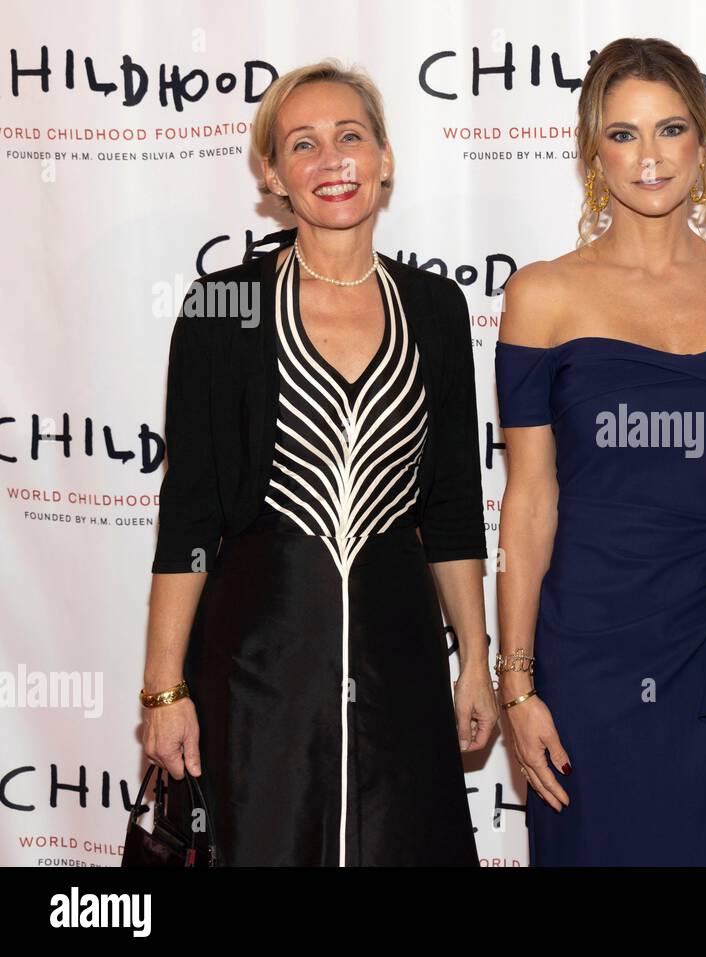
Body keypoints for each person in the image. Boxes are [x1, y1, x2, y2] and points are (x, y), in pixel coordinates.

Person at [139, 60, 495, 866]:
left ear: (385, 157)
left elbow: (449, 506)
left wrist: (474, 658)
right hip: (255, 667)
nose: (331, 160)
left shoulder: (436, 310)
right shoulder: (220, 309)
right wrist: (165, 688)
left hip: (399, 658)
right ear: (272, 175)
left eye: (350, 137)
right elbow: (188, 512)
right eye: (303, 144)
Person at [493, 38, 706, 865]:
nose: (649, 157)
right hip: (592, 649)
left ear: (704, 144)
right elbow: (530, 501)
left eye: (670, 130)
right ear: (592, 152)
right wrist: (518, 681)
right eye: (623, 134)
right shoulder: (543, 295)